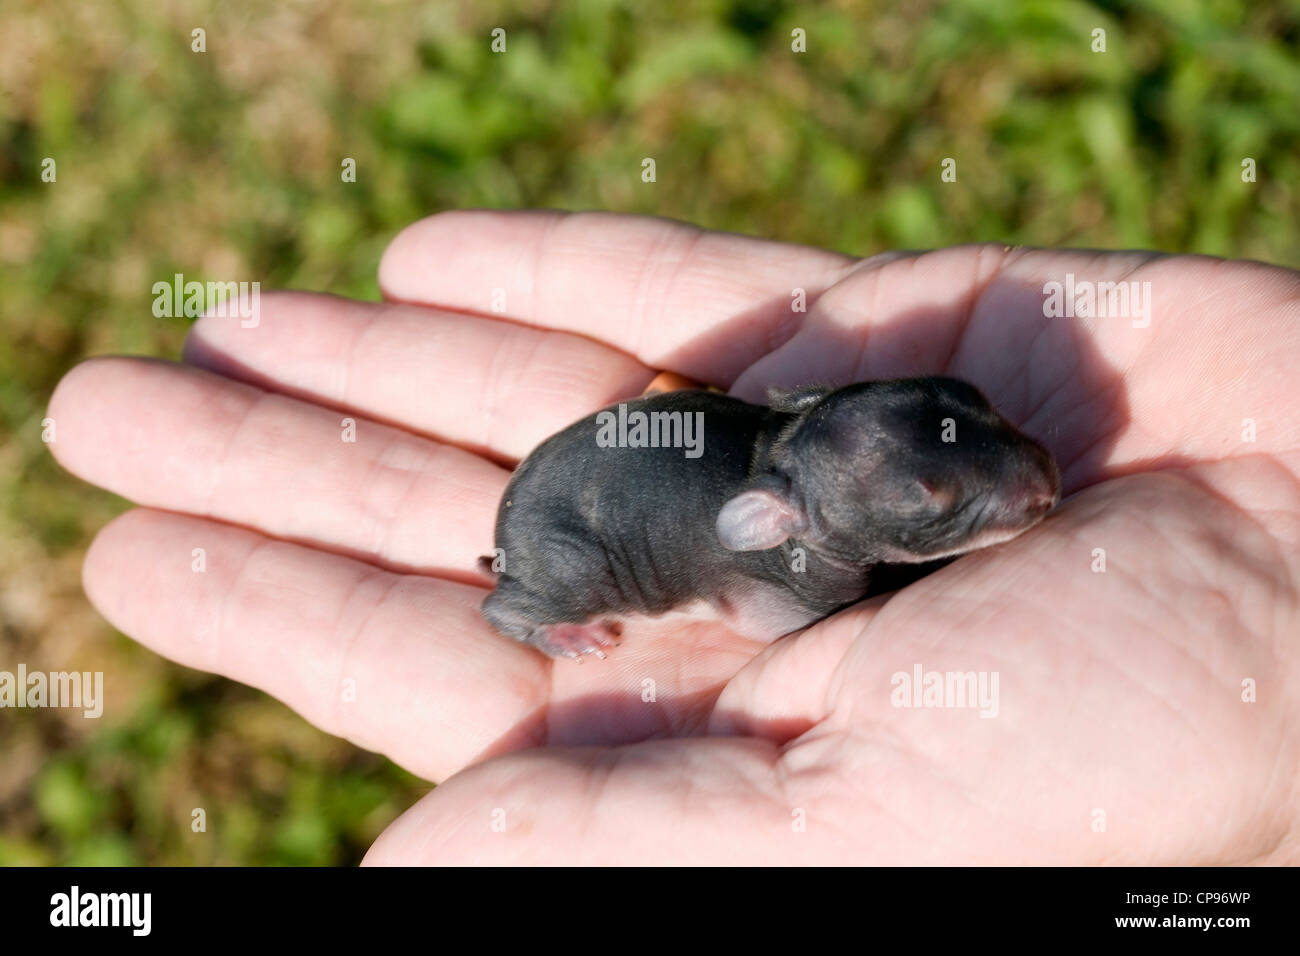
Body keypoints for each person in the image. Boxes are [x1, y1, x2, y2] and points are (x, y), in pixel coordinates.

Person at [48, 211, 1300, 864]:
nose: (1019, 476)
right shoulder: (783, 550)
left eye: (964, 418)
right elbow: (783, 613)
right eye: (934, 503)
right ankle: (519, 605)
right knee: (564, 569)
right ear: (784, 522)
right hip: (564, 532)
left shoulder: (803, 455)